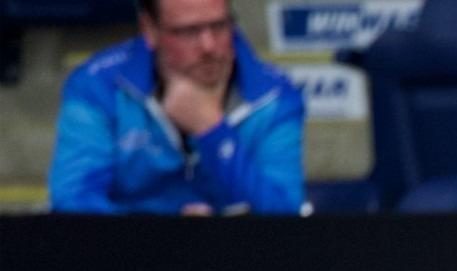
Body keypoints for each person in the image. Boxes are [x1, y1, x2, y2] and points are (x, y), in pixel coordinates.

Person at [49, 0, 305, 214]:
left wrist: (213, 132)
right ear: (150, 29)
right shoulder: (97, 86)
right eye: (189, 32)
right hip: (124, 260)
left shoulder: (275, 96)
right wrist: (166, 234)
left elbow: (284, 211)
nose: (209, 46)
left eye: (219, 26)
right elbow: (73, 202)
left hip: (236, 257)